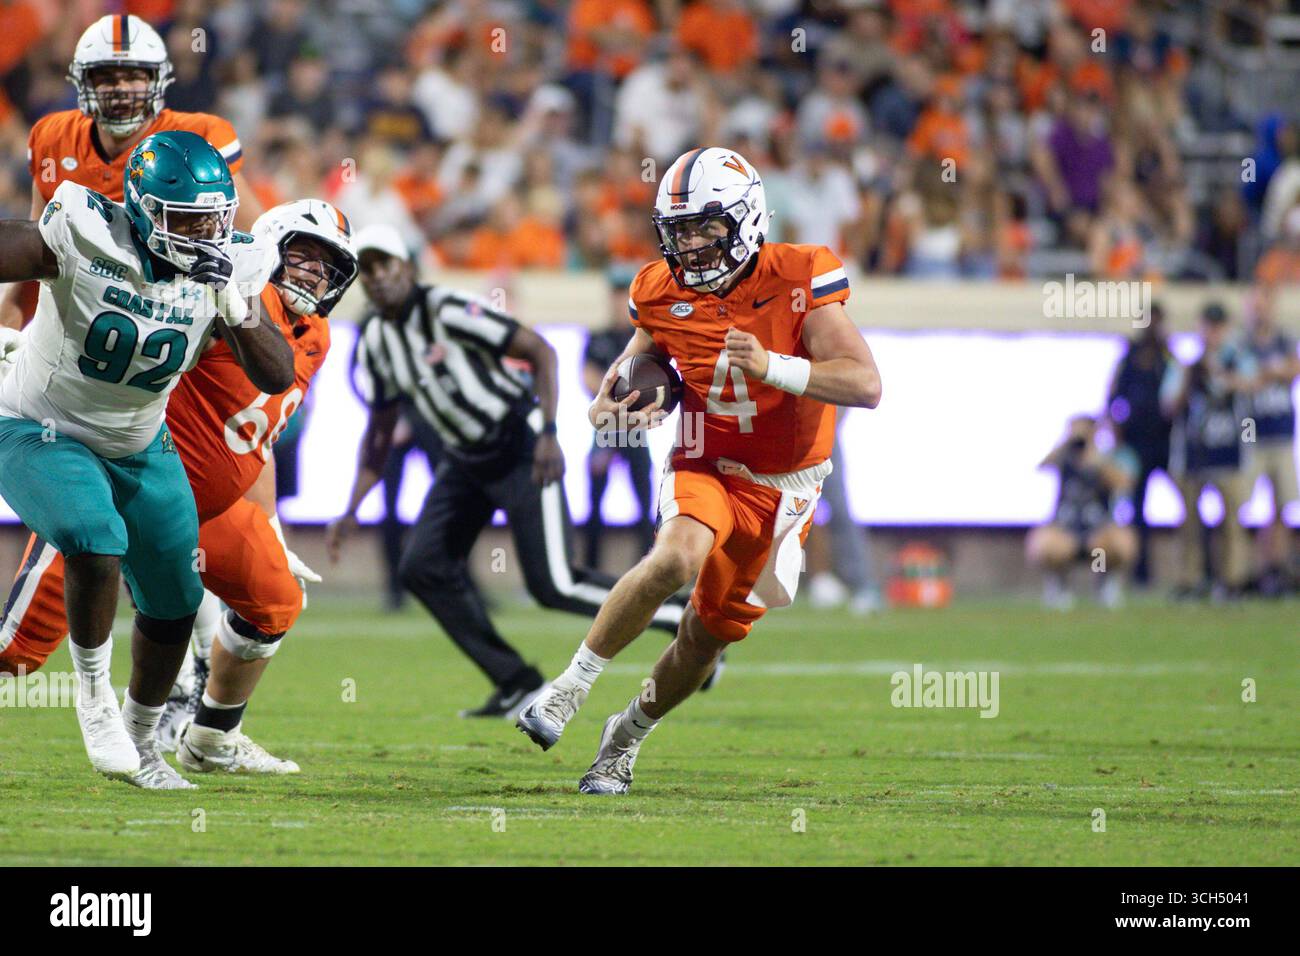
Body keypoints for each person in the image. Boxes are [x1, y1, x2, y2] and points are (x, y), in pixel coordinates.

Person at [516, 146, 882, 794]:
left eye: (706, 227)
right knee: (675, 558)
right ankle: (567, 689)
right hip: (704, 456)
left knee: (705, 638)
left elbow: (864, 383)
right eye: (679, 231)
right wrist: (610, 404)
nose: (692, 245)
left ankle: (622, 739)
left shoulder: (801, 275)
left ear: (744, 220)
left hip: (785, 487)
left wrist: (774, 366)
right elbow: (635, 367)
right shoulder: (659, 289)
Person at [1, 199, 356, 775]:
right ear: (263, 252)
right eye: (302, 256)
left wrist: (270, 523)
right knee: (16, 656)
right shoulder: (217, 291)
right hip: (129, 483)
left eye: (327, 265)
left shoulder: (316, 334)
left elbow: (256, 437)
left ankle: (211, 738)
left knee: (275, 599)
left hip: (209, 508)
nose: (313, 274)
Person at [326, 225, 686, 718]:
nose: (378, 276)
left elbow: (539, 349)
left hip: (518, 444)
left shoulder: (447, 309)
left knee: (553, 585)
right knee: (421, 567)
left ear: (407, 267)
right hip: (465, 462)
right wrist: (351, 506)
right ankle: (516, 681)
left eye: (385, 264)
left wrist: (547, 431)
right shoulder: (376, 340)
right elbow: (381, 431)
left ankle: (677, 611)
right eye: (366, 269)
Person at [1, 14, 261, 331]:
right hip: (87, 319)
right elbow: (40, 256)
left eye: (135, 76)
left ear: (158, 80)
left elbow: (253, 246)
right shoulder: (53, 137)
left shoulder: (197, 136)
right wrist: (6, 330)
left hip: (176, 316)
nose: (121, 89)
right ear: (83, 82)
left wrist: (243, 333)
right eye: (106, 77)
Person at [1162, 302, 1257, 600]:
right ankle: (1191, 580)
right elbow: (1168, 406)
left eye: (1217, 326)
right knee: (1189, 524)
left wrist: (1221, 376)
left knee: (1232, 523)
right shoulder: (1187, 365)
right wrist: (1192, 379)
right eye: (1208, 325)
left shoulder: (1239, 360)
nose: (1213, 332)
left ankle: (1232, 580)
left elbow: (1255, 387)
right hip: (1193, 454)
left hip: (1230, 453)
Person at [1025, 415, 1139, 609]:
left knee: (1110, 546)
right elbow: (1042, 466)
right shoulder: (1064, 458)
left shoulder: (1104, 458)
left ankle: (1101, 583)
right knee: (1048, 546)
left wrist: (1096, 459)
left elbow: (1124, 484)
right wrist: (1067, 442)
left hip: (1096, 535)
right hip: (1066, 531)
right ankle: (1060, 585)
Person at [582, 270, 655, 568]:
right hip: (608, 429)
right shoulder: (598, 338)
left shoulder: (637, 338)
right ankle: (591, 567)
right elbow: (588, 379)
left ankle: (646, 567)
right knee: (595, 501)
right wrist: (621, 393)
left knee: (645, 501)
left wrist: (612, 390)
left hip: (634, 427)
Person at [1107, 302, 1175, 586]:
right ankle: (1139, 572)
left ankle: (1197, 572)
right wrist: (1118, 436)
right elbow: (1113, 400)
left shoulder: (1168, 356)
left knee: (1192, 498)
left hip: (1164, 443)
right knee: (1135, 510)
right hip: (1135, 445)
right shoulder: (1129, 356)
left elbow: (1177, 397)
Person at [1239, 288, 1300, 595]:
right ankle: (1251, 570)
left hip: (1281, 434)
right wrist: (1267, 375)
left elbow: (1292, 370)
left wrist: (1270, 374)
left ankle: (1280, 570)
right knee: (1245, 505)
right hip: (1252, 435)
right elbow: (1242, 382)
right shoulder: (1242, 344)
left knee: (1284, 507)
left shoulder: (1283, 340)